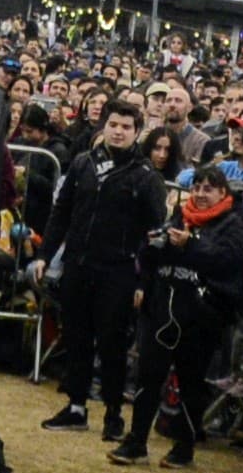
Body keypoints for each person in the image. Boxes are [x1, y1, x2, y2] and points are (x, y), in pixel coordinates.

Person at [38, 102, 164, 438]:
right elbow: (61, 213)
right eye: (113, 124)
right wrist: (43, 255)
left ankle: (113, 413)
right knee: (76, 336)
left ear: (137, 133)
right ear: (104, 126)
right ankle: (76, 406)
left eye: (126, 126)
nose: (118, 131)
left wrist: (143, 280)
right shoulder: (83, 163)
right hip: (78, 265)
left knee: (112, 344)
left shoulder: (146, 176)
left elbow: (155, 235)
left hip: (119, 271)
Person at [115, 159, 243, 468]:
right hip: (163, 310)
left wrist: (192, 245)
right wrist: (153, 248)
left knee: (191, 383)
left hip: (202, 318)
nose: (200, 194)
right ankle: (136, 442)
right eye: (197, 188)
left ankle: (184, 447)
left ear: (223, 193)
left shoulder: (233, 226)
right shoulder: (178, 217)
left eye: (209, 189)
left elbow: (228, 262)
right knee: (149, 376)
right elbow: (148, 257)